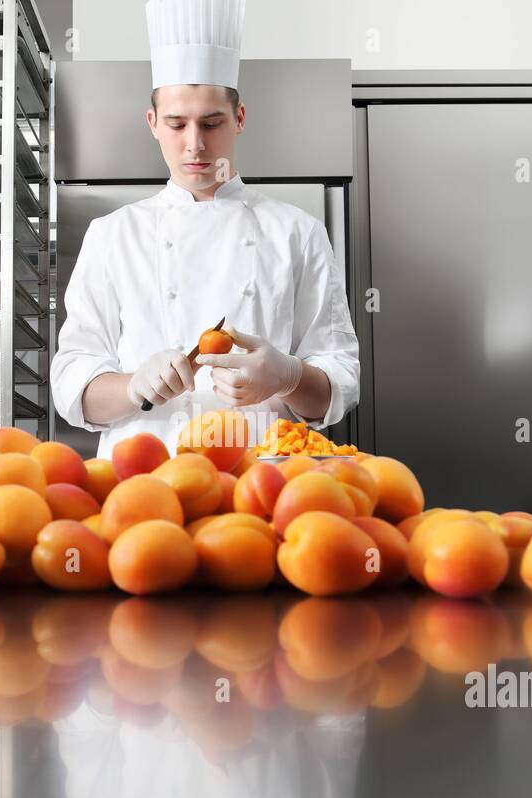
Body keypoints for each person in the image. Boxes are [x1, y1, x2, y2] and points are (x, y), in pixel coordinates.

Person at [50, 0, 360, 459]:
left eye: (211, 123)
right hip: (145, 487)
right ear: (153, 124)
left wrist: (290, 376)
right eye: (177, 124)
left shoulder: (299, 232)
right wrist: (135, 385)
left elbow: (338, 385)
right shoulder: (112, 235)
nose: (195, 144)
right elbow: (73, 385)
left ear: (239, 118)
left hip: (264, 481)